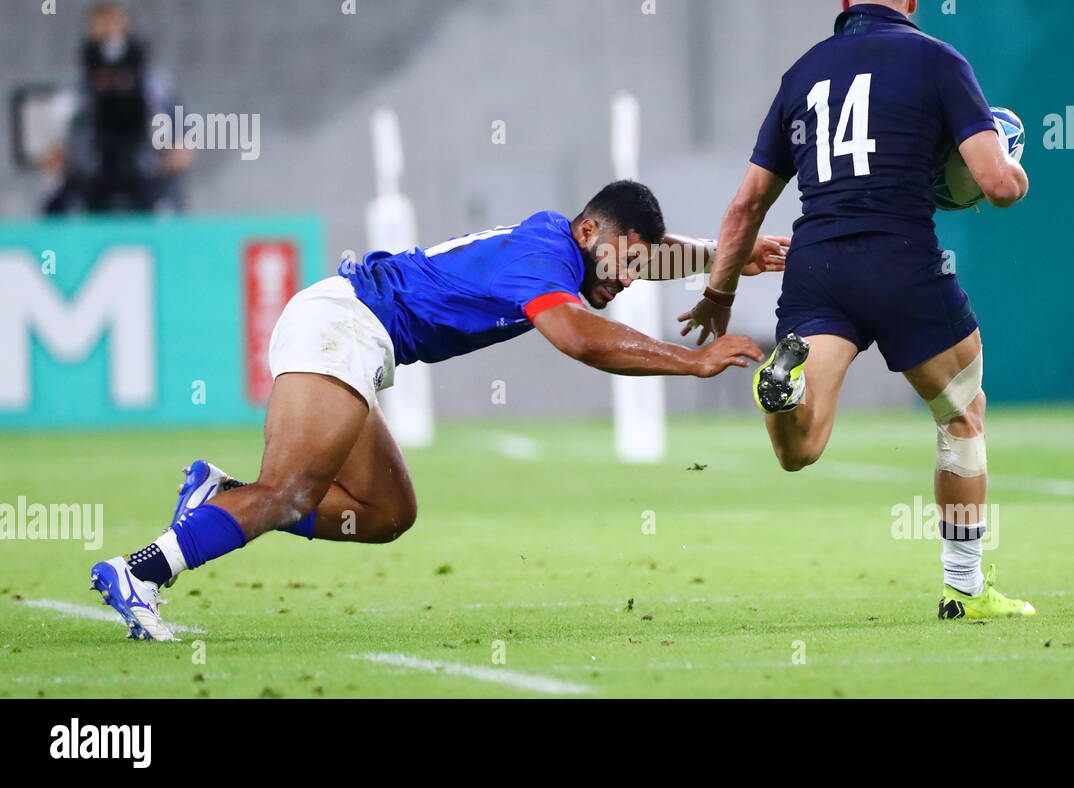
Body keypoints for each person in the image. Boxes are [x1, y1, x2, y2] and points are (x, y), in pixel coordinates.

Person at [89, 180, 787, 640]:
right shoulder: (544, 256)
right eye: (624, 262)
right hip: (345, 324)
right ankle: (142, 569)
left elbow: (650, 255)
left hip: (365, 340)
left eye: (639, 266)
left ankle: (223, 498)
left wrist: (733, 253)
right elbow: (578, 339)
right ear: (587, 233)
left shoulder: (577, 249)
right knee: (293, 490)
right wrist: (689, 359)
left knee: (387, 513)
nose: (631, 279)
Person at [677, 0, 1035, 620]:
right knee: (961, 416)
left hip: (818, 267)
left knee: (801, 449)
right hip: (904, 259)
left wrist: (718, 293)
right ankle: (964, 589)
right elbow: (994, 185)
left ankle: (777, 388)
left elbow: (749, 199)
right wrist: (1018, 173)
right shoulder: (940, 62)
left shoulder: (804, 72)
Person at [42, 1, 192, 214]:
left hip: (146, 180)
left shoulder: (157, 91)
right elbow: (52, 156)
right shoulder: (72, 98)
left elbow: (183, 149)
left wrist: (168, 160)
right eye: (101, 34)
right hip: (89, 184)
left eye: (116, 31)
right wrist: (61, 162)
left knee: (168, 206)